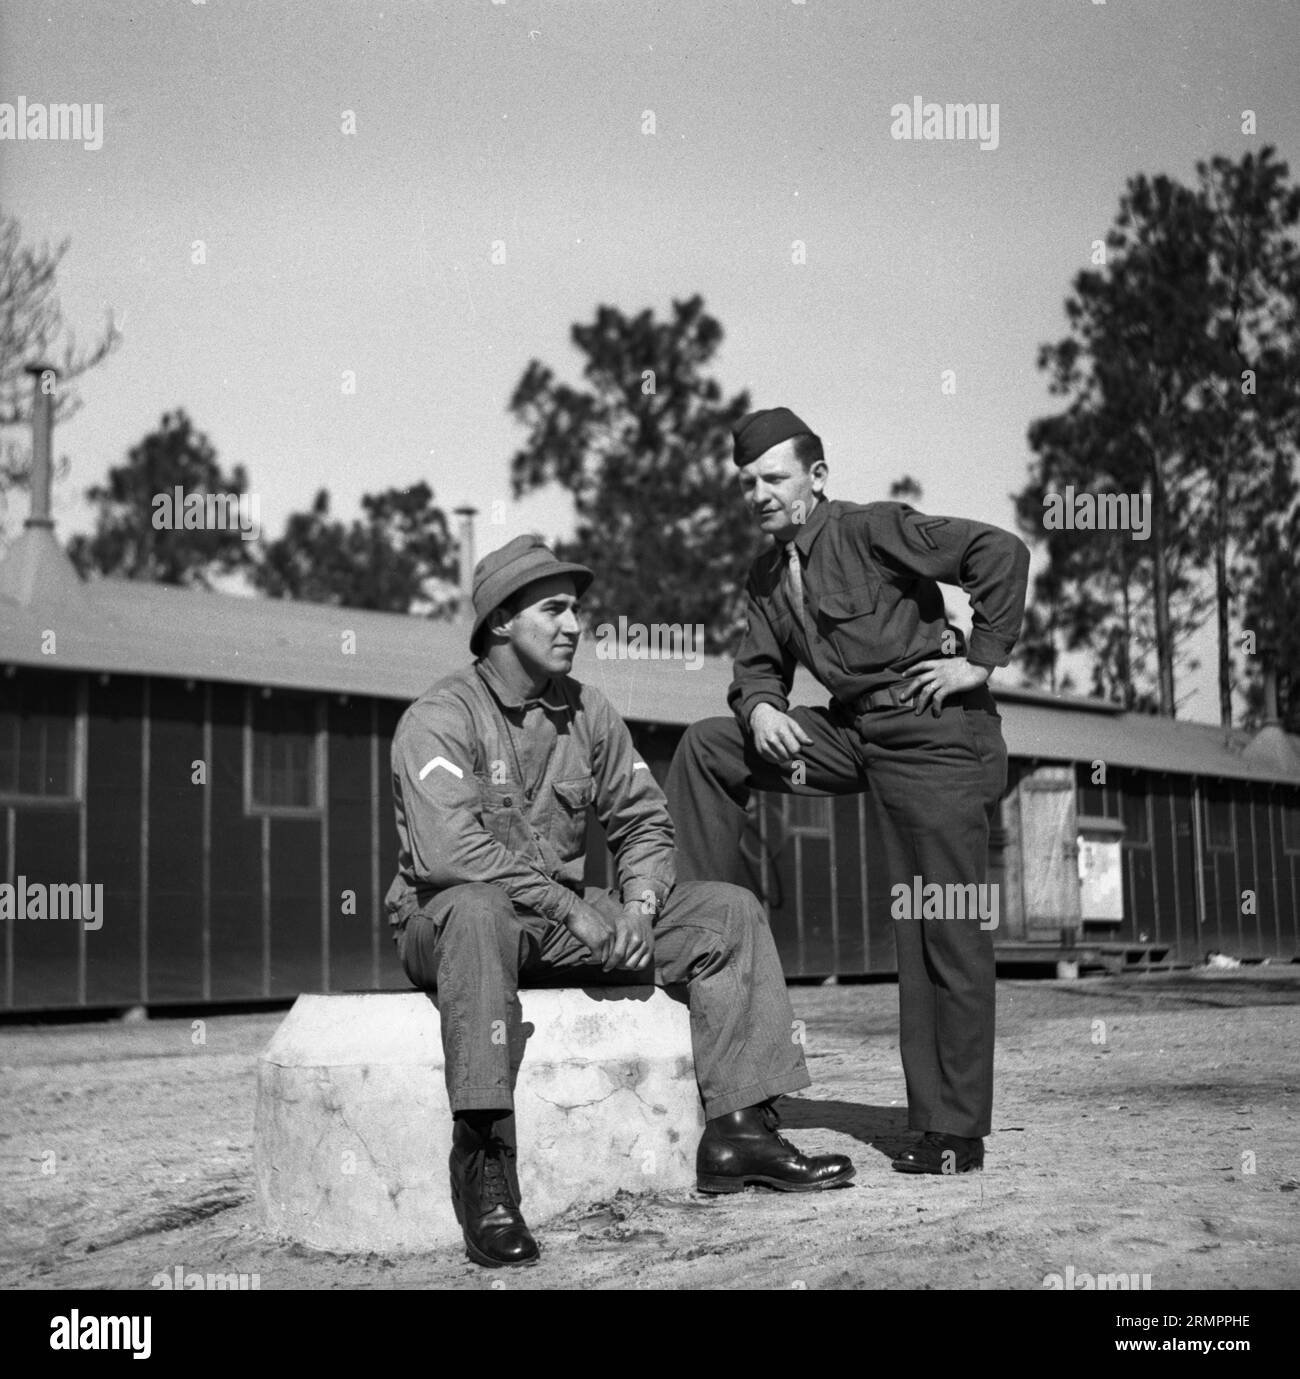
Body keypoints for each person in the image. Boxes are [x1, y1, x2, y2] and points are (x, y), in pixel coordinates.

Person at [386, 534, 853, 1269]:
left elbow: (643, 820)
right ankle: (483, 1160)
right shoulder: (440, 716)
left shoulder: (589, 711)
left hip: (560, 923)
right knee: (478, 909)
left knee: (726, 911)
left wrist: (635, 906)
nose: (575, 624)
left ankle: (739, 1131)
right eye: (555, 609)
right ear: (502, 622)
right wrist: (573, 909)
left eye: (577, 608)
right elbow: (450, 854)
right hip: (448, 925)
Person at [666, 407, 1030, 1176]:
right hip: (851, 734)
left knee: (939, 927)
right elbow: (757, 665)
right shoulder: (768, 575)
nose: (759, 494)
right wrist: (761, 705)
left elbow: (999, 550)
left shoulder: (872, 529)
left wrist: (982, 657)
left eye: (774, 478)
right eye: (746, 484)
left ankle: (952, 1128)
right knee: (710, 745)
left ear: (816, 478)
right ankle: (698, 935)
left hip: (933, 735)